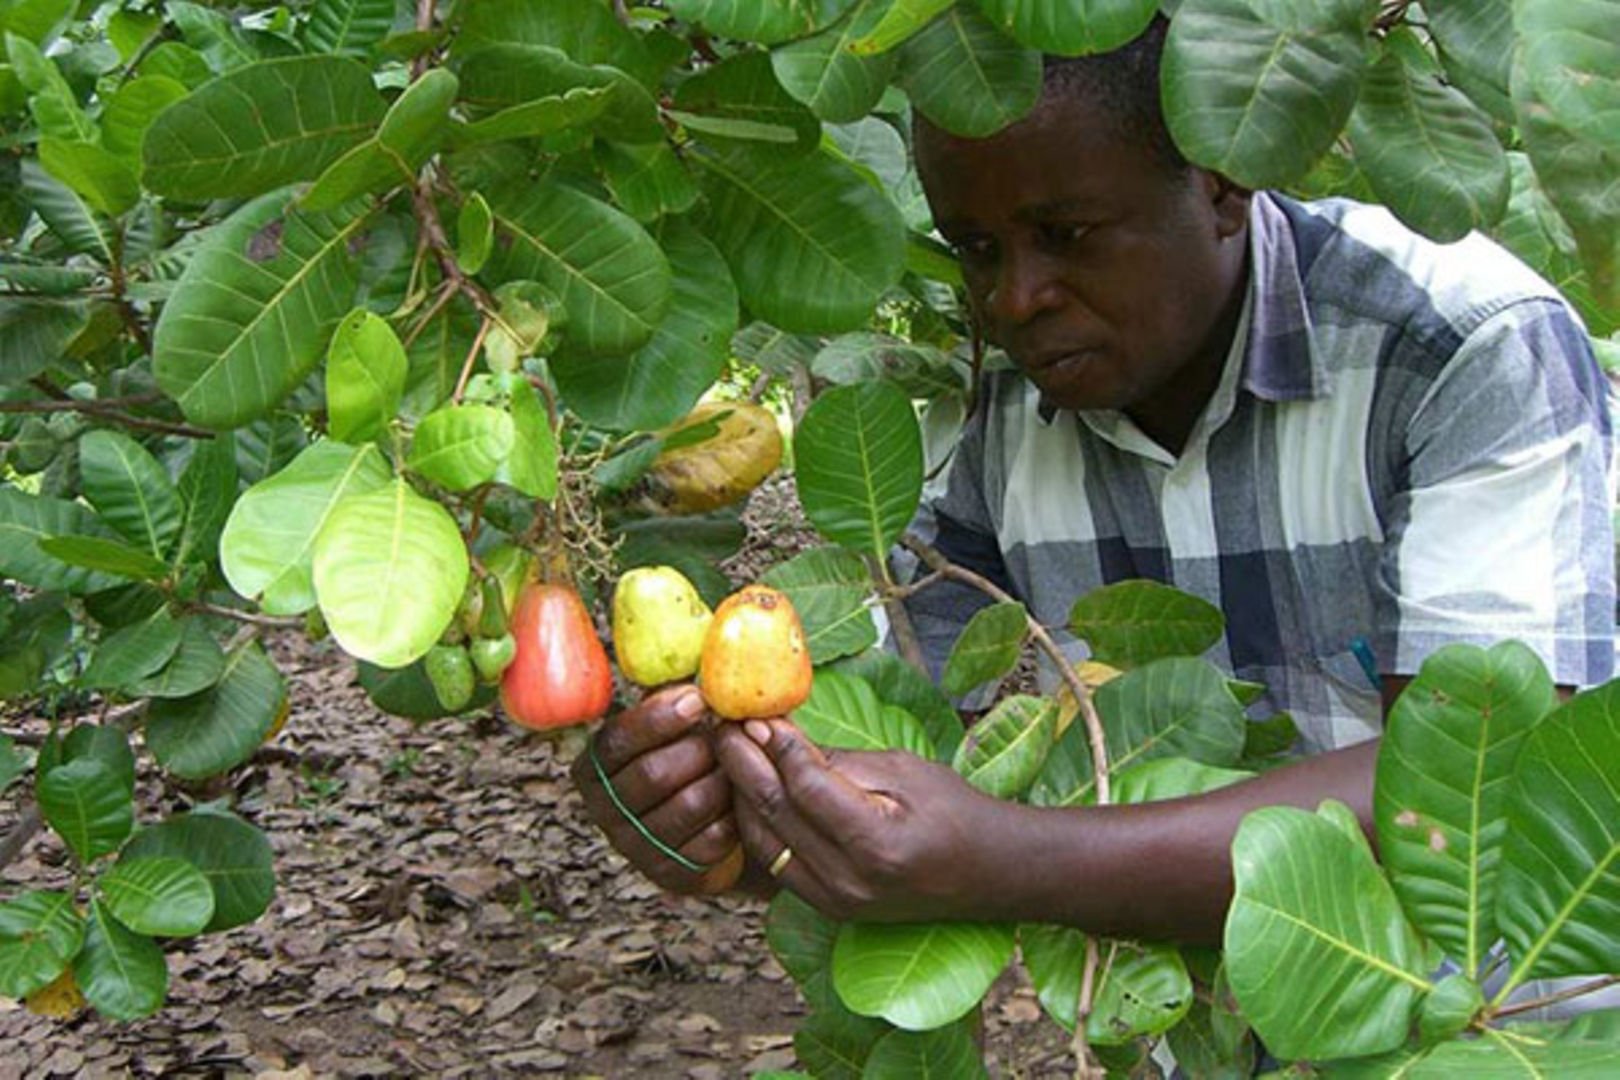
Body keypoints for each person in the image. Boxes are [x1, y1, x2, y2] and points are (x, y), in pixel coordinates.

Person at [573, 19, 1615, 946]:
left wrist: (1015, 861)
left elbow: (1479, 796)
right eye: (976, 250)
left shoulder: (1462, 348)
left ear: (1220, 184)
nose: (1016, 299)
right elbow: (884, 781)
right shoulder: (1003, 423)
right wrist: (711, 813)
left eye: (1066, 237)